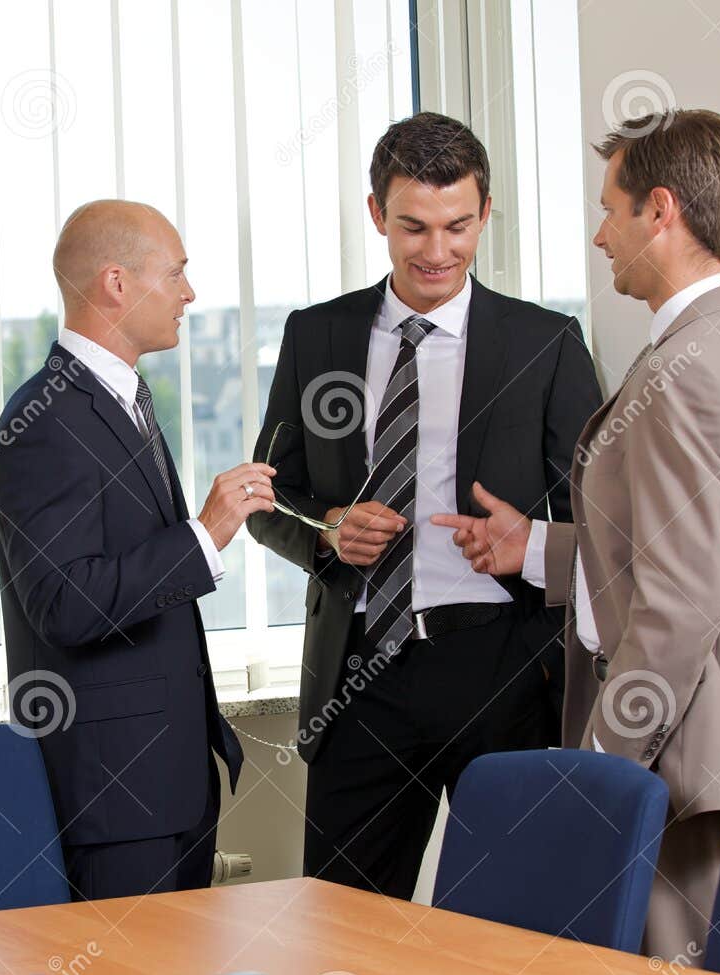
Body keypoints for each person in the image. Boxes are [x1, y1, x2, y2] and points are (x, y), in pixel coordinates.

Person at [437, 109, 720, 960]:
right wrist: (539, 548)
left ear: (661, 211)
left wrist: (602, 761)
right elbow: (700, 555)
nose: (601, 235)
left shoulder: (685, 370)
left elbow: (679, 608)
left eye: (610, 210)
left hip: (681, 769)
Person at [245, 113, 601, 900]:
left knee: (514, 925)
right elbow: (267, 499)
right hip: (359, 676)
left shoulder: (546, 344)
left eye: (458, 226)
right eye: (413, 226)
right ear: (377, 213)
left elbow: (607, 527)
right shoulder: (316, 336)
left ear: (485, 213)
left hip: (503, 670)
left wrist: (529, 541)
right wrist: (327, 529)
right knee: (344, 922)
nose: (437, 250)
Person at [0, 200, 268, 902]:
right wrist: (203, 535)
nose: (188, 293)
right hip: (114, 795)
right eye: (175, 274)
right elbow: (63, 604)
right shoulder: (45, 421)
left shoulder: (122, 398)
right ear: (116, 282)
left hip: (170, 783)